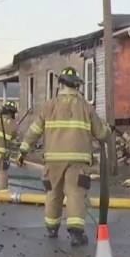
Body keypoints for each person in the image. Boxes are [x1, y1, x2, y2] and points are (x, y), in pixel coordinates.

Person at [17, 67, 110, 245]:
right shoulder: (86, 108)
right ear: (77, 86)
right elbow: (101, 134)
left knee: (53, 194)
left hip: (52, 161)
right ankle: (76, 234)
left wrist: (23, 151)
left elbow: (34, 131)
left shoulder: (48, 106)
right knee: (75, 194)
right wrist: (108, 130)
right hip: (78, 162)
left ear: (60, 84)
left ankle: (52, 229)